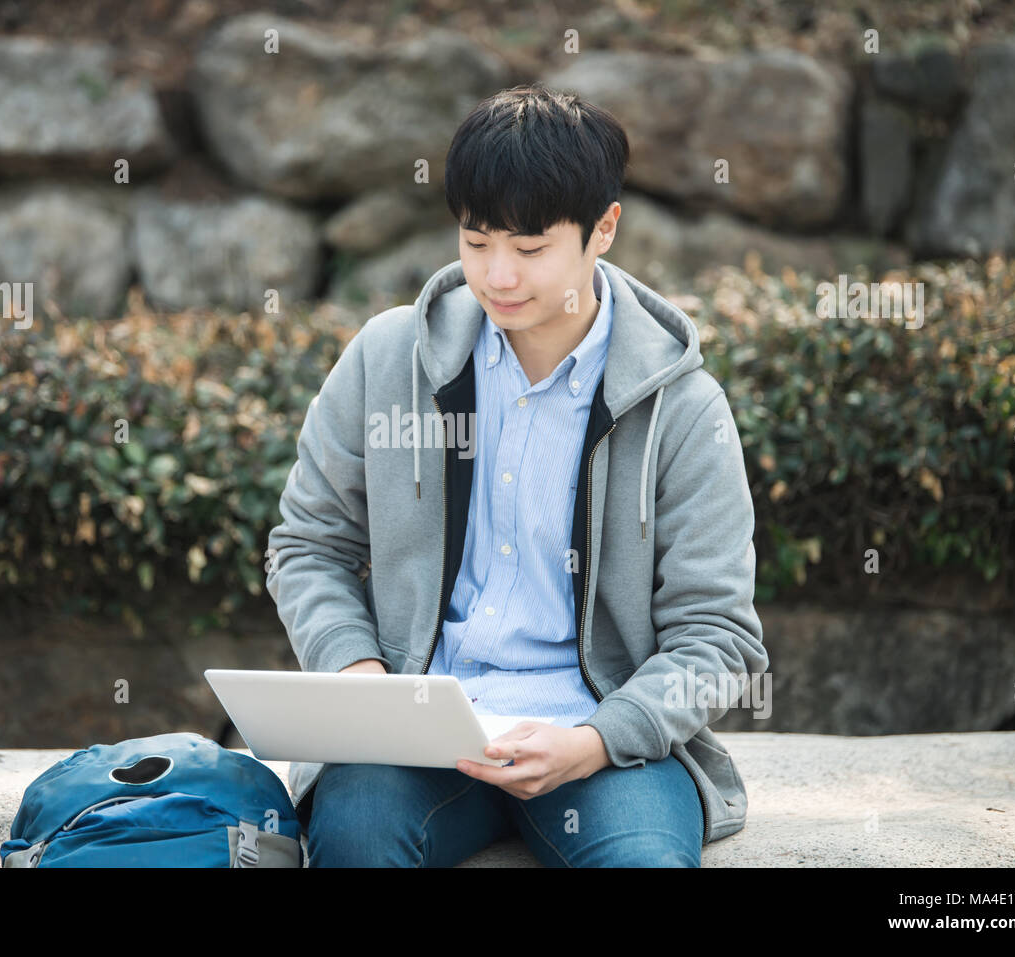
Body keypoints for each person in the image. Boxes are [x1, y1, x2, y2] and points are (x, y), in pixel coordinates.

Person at [264, 83, 767, 867]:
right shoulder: (388, 358)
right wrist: (360, 677)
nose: (498, 274)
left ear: (604, 229)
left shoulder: (683, 409)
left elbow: (719, 635)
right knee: (355, 840)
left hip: (600, 743)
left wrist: (600, 739)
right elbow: (308, 544)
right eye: (476, 241)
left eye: (531, 249)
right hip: (417, 739)